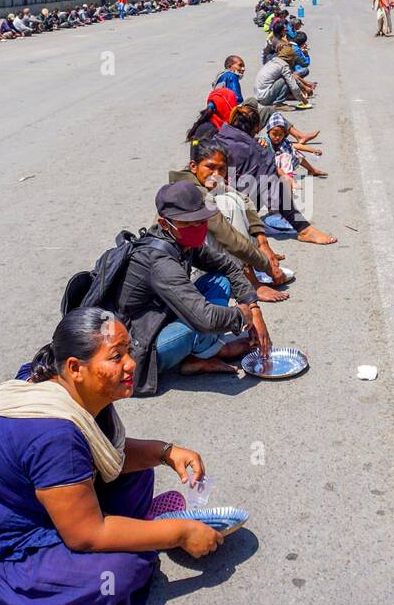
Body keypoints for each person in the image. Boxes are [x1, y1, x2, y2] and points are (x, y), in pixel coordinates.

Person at [0, 307, 226, 605]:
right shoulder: (54, 435)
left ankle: (96, 562)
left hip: (33, 511)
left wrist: (166, 453)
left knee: (137, 473)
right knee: (128, 567)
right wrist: (179, 533)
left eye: (128, 351)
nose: (130, 364)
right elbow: (88, 535)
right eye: (116, 357)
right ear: (75, 368)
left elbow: (109, 452)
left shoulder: (51, 379)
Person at [113, 182, 271, 394]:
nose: (197, 227)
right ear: (165, 224)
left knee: (219, 281)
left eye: (201, 220)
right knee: (199, 325)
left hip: (161, 318)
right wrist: (242, 316)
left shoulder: (180, 241)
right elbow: (205, 319)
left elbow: (226, 266)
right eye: (188, 223)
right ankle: (214, 349)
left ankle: (197, 355)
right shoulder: (158, 261)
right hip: (138, 348)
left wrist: (252, 305)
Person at [169, 138, 291, 302]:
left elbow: (245, 201)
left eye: (222, 169)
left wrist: (263, 244)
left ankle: (246, 270)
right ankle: (249, 281)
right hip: (189, 272)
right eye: (210, 167)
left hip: (205, 260)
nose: (216, 174)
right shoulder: (190, 191)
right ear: (193, 166)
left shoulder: (209, 183)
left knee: (235, 199)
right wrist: (267, 266)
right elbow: (227, 236)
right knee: (227, 203)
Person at [216, 105, 336, 245]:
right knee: (271, 177)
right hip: (230, 213)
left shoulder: (217, 138)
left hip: (206, 210)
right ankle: (303, 229)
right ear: (258, 128)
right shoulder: (257, 150)